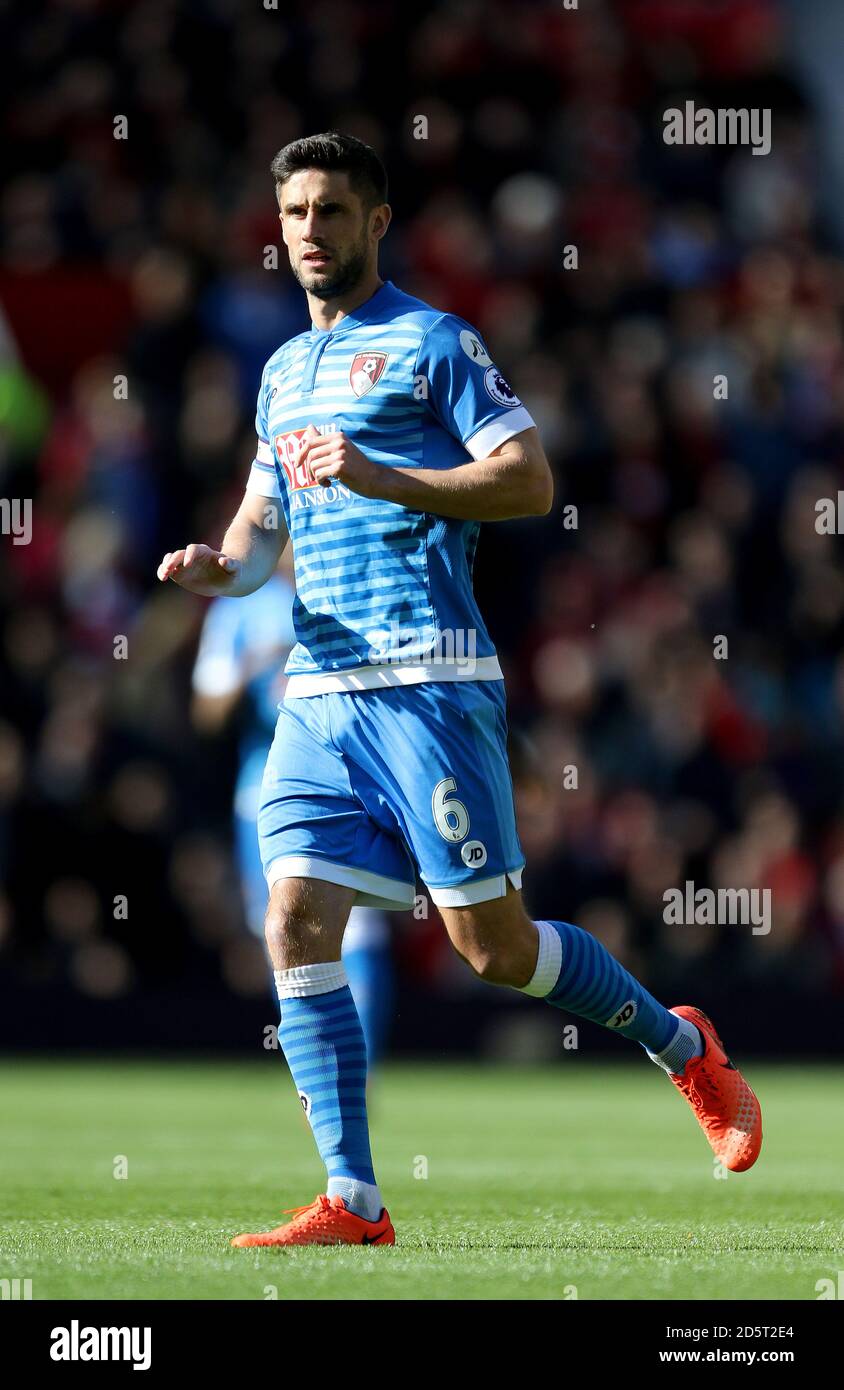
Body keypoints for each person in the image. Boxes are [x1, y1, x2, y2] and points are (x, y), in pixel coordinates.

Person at [157, 132, 762, 1249]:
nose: (310, 231)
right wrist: (215, 570)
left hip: (430, 683)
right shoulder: (281, 375)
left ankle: (681, 1045)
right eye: (295, 212)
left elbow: (528, 479)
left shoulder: (433, 344)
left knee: (496, 951)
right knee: (292, 915)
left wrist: (385, 474)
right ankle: (356, 1198)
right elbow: (257, 535)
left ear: (376, 222)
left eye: (333, 210)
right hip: (319, 691)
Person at [190, 562, 394, 1066]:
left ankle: (356, 1072)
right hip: (264, 794)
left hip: (352, 787)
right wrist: (254, 667)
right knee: (284, 933)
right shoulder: (238, 609)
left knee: (359, 930)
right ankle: (317, 1069)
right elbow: (206, 713)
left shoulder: (353, 592)